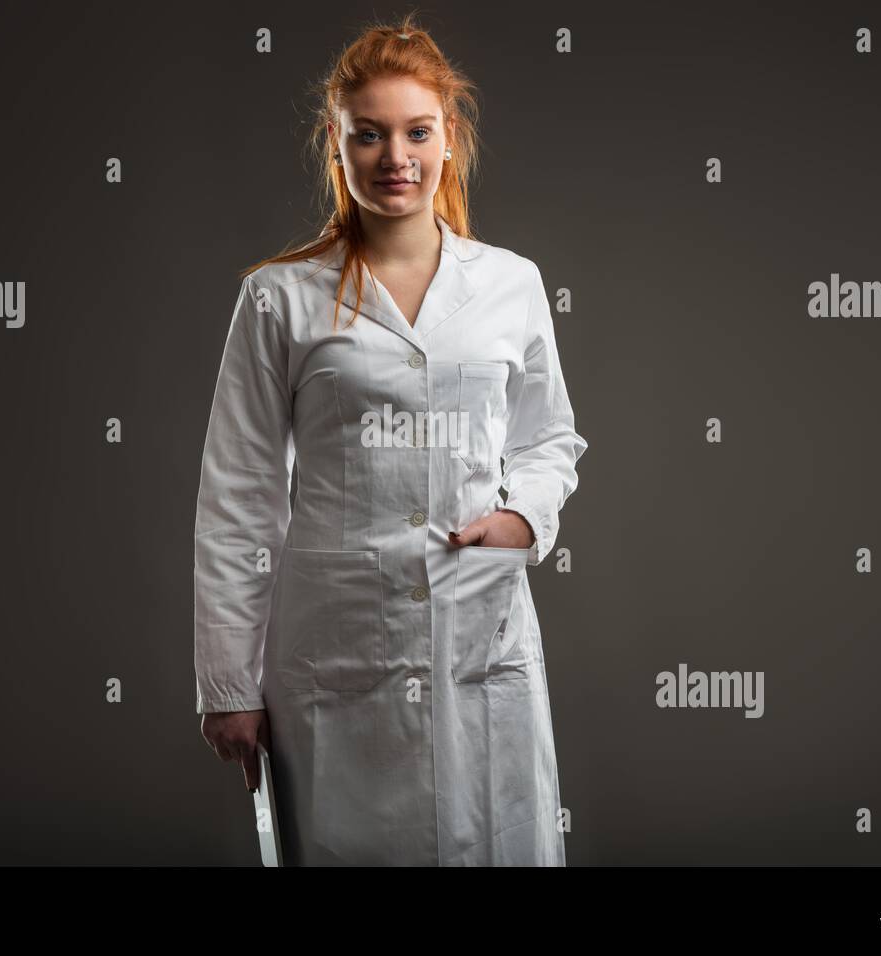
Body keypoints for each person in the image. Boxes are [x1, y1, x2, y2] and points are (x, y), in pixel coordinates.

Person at [193, 14, 588, 865]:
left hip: (478, 634)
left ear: (450, 140)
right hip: (333, 649)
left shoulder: (511, 284)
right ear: (336, 147)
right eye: (368, 134)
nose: (394, 156)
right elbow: (238, 497)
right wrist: (228, 684)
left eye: (417, 131)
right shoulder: (279, 299)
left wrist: (524, 519)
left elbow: (549, 438)